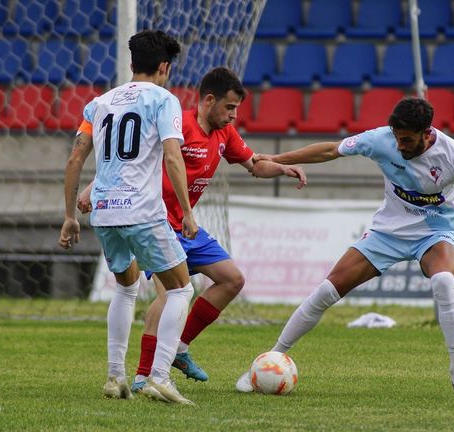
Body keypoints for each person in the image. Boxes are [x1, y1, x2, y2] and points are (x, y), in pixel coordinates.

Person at [234, 97, 454, 400]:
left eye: (407, 140)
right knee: (326, 291)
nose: (399, 146)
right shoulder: (381, 139)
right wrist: (277, 158)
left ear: (427, 133)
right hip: (387, 232)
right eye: (397, 138)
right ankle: (269, 361)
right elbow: (329, 150)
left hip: (434, 232)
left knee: (444, 281)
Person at [77, 67, 307, 392]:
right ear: (209, 100)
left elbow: (254, 164)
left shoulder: (225, 135)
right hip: (155, 221)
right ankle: (144, 375)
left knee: (232, 279)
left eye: (236, 109)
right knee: (168, 295)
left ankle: (178, 348)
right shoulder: (178, 123)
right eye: (229, 107)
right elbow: (131, 159)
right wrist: (93, 186)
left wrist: (283, 169)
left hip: (187, 228)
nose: (233, 115)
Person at [59, 30, 198, 405]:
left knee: (125, 286)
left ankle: (115, 377)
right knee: (182, 288)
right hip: (141, 210)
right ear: (164, 67)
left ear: (132, 63)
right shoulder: (164, 100)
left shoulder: (99, 103)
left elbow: (75, 159)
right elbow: (172, 157)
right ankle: (160, 376)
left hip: (103, 211)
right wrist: (186, 212)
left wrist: (70, 216)